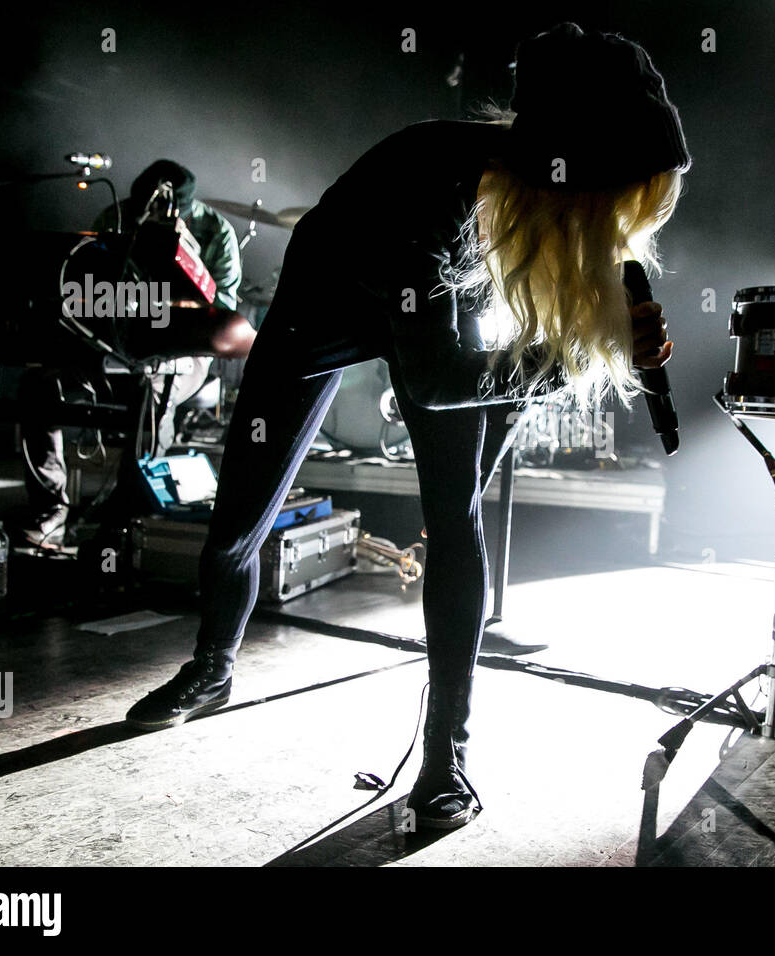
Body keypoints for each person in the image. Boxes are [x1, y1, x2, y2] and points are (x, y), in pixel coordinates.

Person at [126, 22, 690, 830]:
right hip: (322, 307)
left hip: (432, 304)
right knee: (238, 521)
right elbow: (439, 377)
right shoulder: (428, 180)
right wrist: (574, 358)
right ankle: (211, 669)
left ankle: (444, 759)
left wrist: (606, 339)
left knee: (454, 520)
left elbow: (481, 389)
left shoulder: (532, 188)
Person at [18, 160, 243, 546]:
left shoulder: (215, 230)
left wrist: (186, 270)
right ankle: (51, 512)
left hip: (182, 350)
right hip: (114, 343)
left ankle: (124, 524)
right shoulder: (116, 215)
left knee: (151, 393)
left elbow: (224, 306)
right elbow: (84, 279)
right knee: (39, 387)